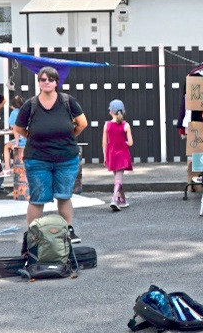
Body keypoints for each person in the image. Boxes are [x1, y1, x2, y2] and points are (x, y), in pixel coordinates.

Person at [12, 67, 89, 231]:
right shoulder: (30, 105)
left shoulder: (68, 102)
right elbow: (18, 128)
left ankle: (68, 231)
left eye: (50, 79)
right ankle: (33, 234)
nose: (46, 82)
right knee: (37, 199)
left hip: (66, 159)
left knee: (64, 196)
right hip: (37, 159)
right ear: (38, 82)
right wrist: (32, 136)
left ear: (56, 82)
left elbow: (82, 123)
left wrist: (69, 136)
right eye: (43, 79)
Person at [103, 99, 134, 211]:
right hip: (122, 154)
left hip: (111, 154)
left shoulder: (106, 125)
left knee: (117, 178)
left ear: (110, 111)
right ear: (123, 111)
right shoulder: (126, 125)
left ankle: (120, 200)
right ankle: (116, 199)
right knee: (119, 179)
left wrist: (105, 157)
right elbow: (130, 143)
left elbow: (104, 143)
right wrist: (123, 142)